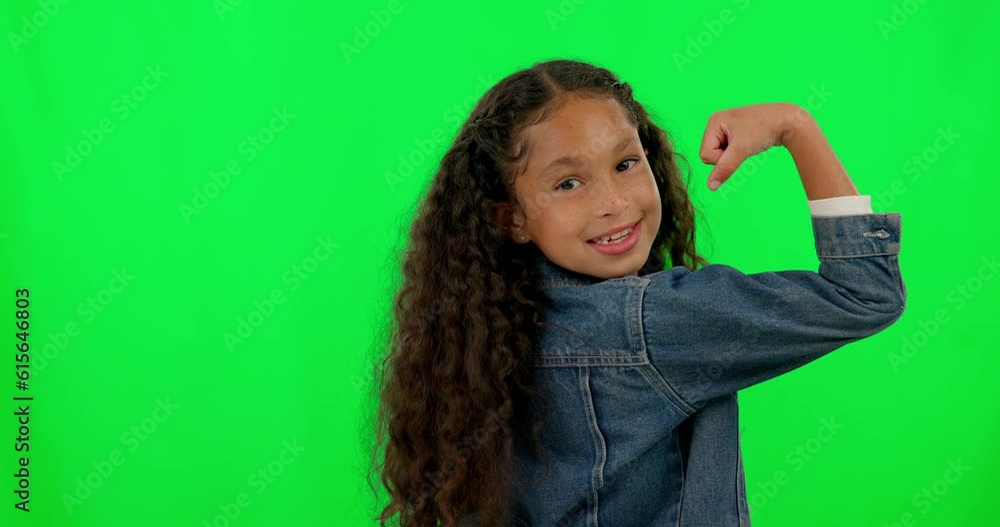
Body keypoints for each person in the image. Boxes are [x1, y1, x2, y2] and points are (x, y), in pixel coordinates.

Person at [370, 59, 906, 527]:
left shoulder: (485, 326)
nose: (613, 202)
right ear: (512, 218)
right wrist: (795, 126)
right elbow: (866, 293)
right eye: (568, 183)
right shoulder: (649, 321)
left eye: (625, 164)